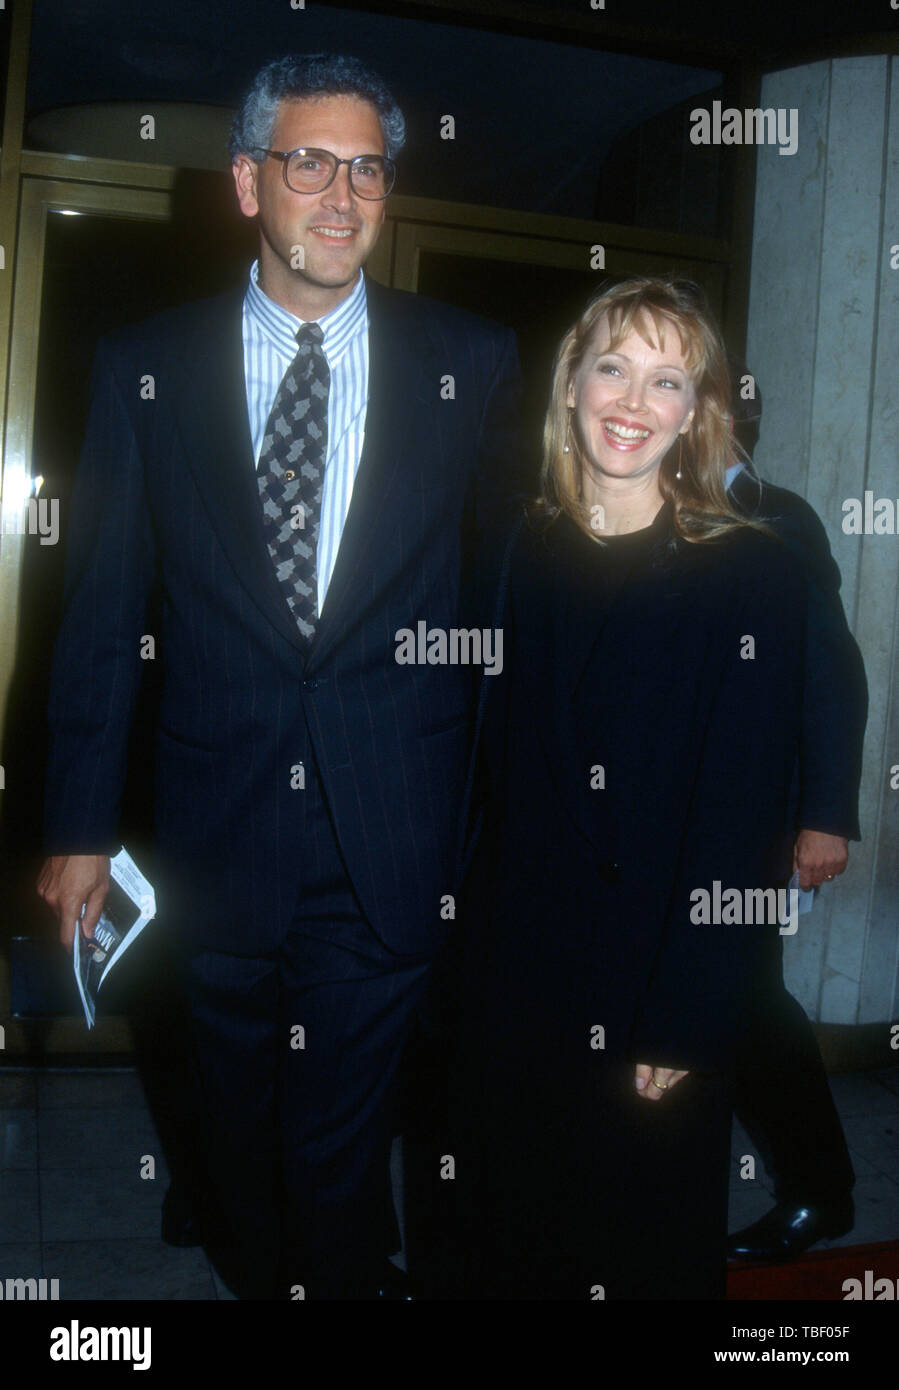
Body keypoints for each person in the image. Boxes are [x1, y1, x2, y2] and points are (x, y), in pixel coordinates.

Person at [36, 52, 523, 1300]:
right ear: (249, 183)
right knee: (233, 1135)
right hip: (210, 833)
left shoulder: (470, 363)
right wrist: (80, 829)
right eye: (310, 163)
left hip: (391, 836)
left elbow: (500, 609)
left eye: (366, 167)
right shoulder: (149, 366)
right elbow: (98, 615)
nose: (342, 196)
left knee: (336, 1148)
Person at [447, 276, 815, 1300]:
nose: (631, 399)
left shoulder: (752, 575)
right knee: (504, 1236)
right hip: (512, 971)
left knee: (634, 1243)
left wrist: (690, 1014)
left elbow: (741, 816)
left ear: (696, 413)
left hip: (654, 975)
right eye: (611, 365)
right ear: (569, 383)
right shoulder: (515, 547)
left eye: (666, 380)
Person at [724, 372, 866, 1261]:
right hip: (655, 816)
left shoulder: (781, 518)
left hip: (753, 821)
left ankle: (822, 1190)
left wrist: (823, 816)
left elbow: (832, 671)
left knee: (746, 1000)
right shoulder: (628, 506)